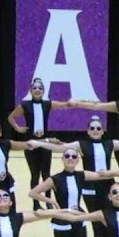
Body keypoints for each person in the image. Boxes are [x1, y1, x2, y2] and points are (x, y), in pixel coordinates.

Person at [29, 116, 119, 237]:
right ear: (88, 131)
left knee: (113, 219)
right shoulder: (81, 145)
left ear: (103, 130)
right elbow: (61, 148)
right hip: (90, 188)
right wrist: (39, 143)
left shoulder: (110, 143)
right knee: (97, 222)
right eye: (92, 128)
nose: (95, 130)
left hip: (108, 185)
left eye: (98, 128)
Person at [26, 146, 117, 237]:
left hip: (78, 217)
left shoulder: (81, 175)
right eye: (67, 156)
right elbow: (33, 193)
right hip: (62, 220)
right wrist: (50, 201)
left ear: (78, 160)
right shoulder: (55, 179)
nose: (70, 158)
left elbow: (101, 175)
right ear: (62, 159)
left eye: (74, 156)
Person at [6, 78, 77, 209]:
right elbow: (11, 117)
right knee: (34, 175)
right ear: (30, 91)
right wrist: (18, 128)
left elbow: (64, 104)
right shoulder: (25, 105)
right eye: (35, 88)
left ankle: (48, 202)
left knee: (46, 174)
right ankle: (36, 204)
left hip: (45, 143)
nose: (37, 90)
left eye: (40, 88)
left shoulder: (47, 104)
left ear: (44, 91)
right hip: (31, 143)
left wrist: (73, 102)